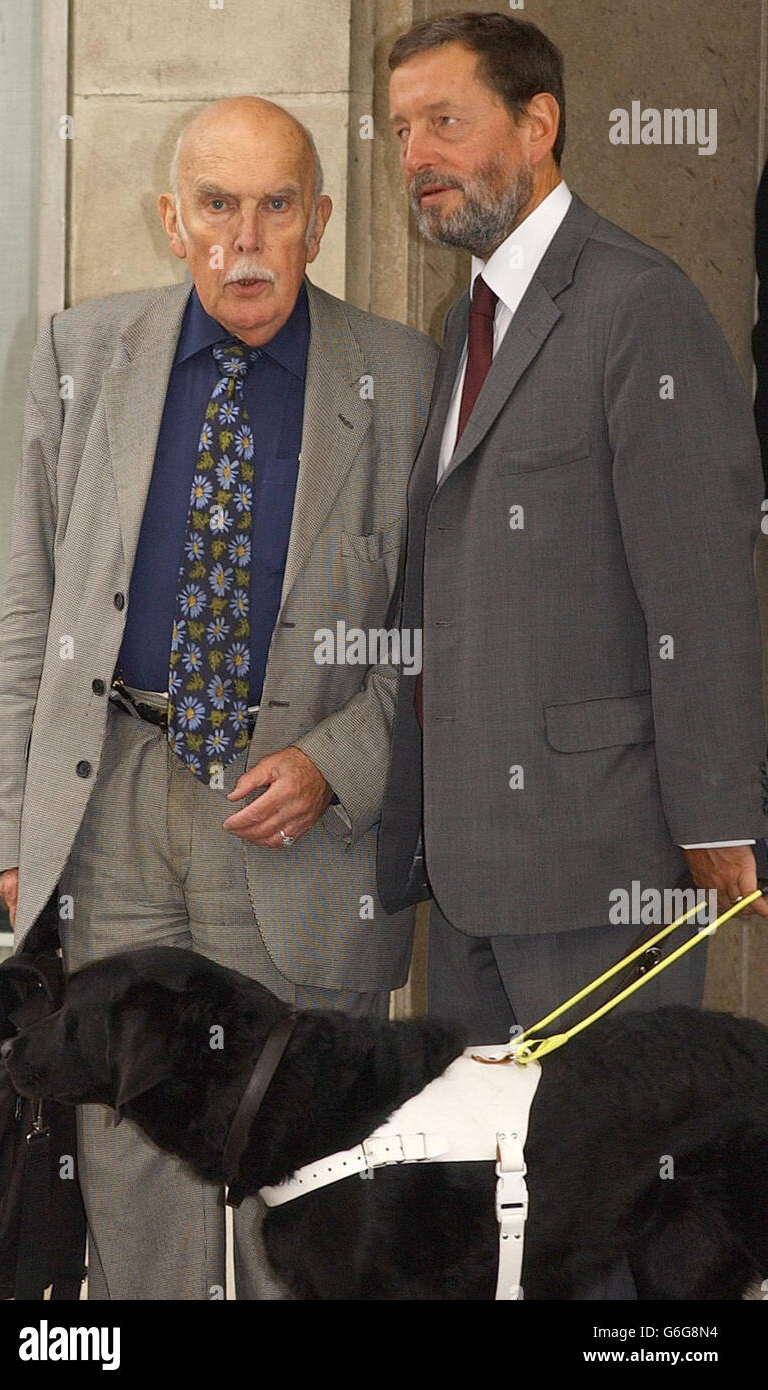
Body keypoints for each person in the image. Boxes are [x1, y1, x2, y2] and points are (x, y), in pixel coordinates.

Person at [0, 95, 437, 1299]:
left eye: (277, 205)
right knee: (130, 1135)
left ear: (322, 220)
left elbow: (441, 633)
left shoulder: (403, 377)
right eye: (218, 205)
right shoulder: (83, 355)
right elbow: (30, 607)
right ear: (171, 219)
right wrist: (22, 832)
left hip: (292, 810)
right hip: (115, 795)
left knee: (295, 1146)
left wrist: (338, 763)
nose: (246, 237)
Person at [379, 11, 768, 1110]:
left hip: (605, 869)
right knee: (485, 1234)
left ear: (537, 122)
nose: (415, 158)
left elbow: (698, 580)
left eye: (443, 122)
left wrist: (718, 822)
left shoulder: (638, 305)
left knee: (594, 1229)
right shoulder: (464, 329)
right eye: (402, 130)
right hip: (464, 882)